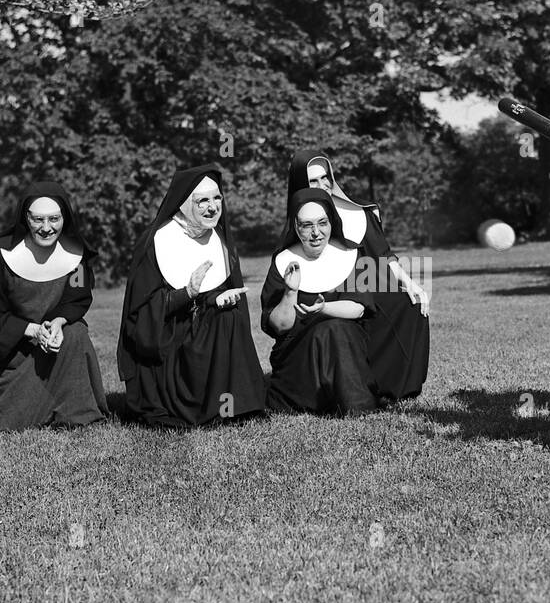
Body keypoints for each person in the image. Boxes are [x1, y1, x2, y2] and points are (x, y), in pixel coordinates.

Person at [118, 164, 265, 428]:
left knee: (230, 316)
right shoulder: (156, 241)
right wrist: (186, 293)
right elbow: (141, 314)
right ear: (185, 204)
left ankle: (233, 407)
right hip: (169, 343)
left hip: (203, 329)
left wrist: (217, 298)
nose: (213, 207)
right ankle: (195, 405)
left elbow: (208, 295)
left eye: (217, 198)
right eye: (203, 201)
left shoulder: (220, 239)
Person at [286, 151, 429, 403]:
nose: (322, 185)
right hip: (329, 290)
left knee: (409, 305)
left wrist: (409, 283)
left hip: (365, 282)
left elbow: (383, 255)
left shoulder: (359, 213)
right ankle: (357, 387)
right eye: (313, 181)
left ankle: (396, 388)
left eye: (325, 177)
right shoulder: (304, 222)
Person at [0, 179, 109, 431]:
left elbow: (77, 297)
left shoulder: (76, 258)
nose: (46, 228)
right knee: (4, 424)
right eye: (38, 219)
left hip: (55, 344)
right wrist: (34, 331)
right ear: (25, 218)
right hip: (13, 354)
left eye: (54, 219)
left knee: (76, 331)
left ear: (65, 218)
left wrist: (57, 323)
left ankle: (75, 411)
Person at [261, 187, 377, 416]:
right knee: (328, 332)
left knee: (334, 330)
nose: (316, 232)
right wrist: (290, 292)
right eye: (307, 225)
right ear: (296, 227)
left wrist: (324, 308)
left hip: (346, 347)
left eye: (322, 223)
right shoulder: (282, 262)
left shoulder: (356, 254)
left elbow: (359, 308)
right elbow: (279, 327)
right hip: (299, 355)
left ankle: (355, 405)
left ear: (332, 222)